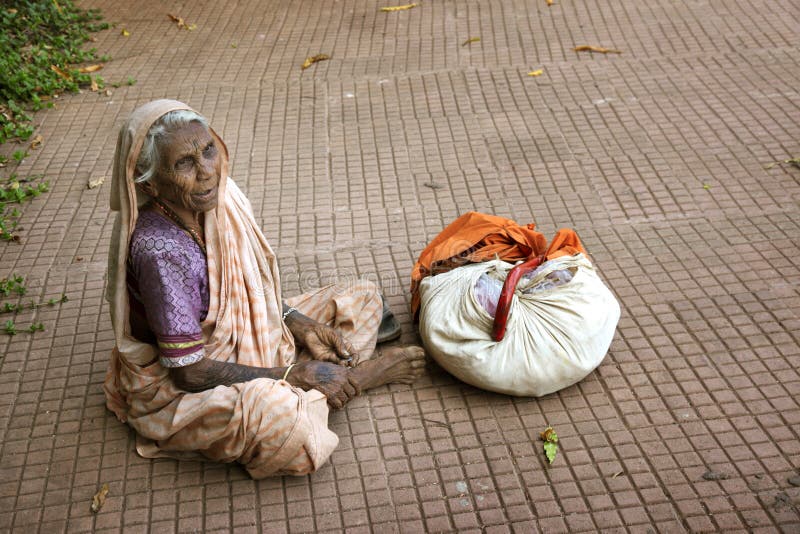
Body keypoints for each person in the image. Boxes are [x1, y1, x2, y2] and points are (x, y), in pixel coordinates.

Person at [104, 99, 425, 478]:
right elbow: (188, 374)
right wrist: (291, 375)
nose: (207, 172)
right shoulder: (160, 251)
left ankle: (320, 384)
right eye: (184, 164)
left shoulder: (222, 199)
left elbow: (253, 293)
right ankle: (354, 379)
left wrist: (303, 325)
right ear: (153, 182)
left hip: (244, 347)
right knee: (292, 432)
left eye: (208, 151)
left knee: (364, 298)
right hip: (181, 385)